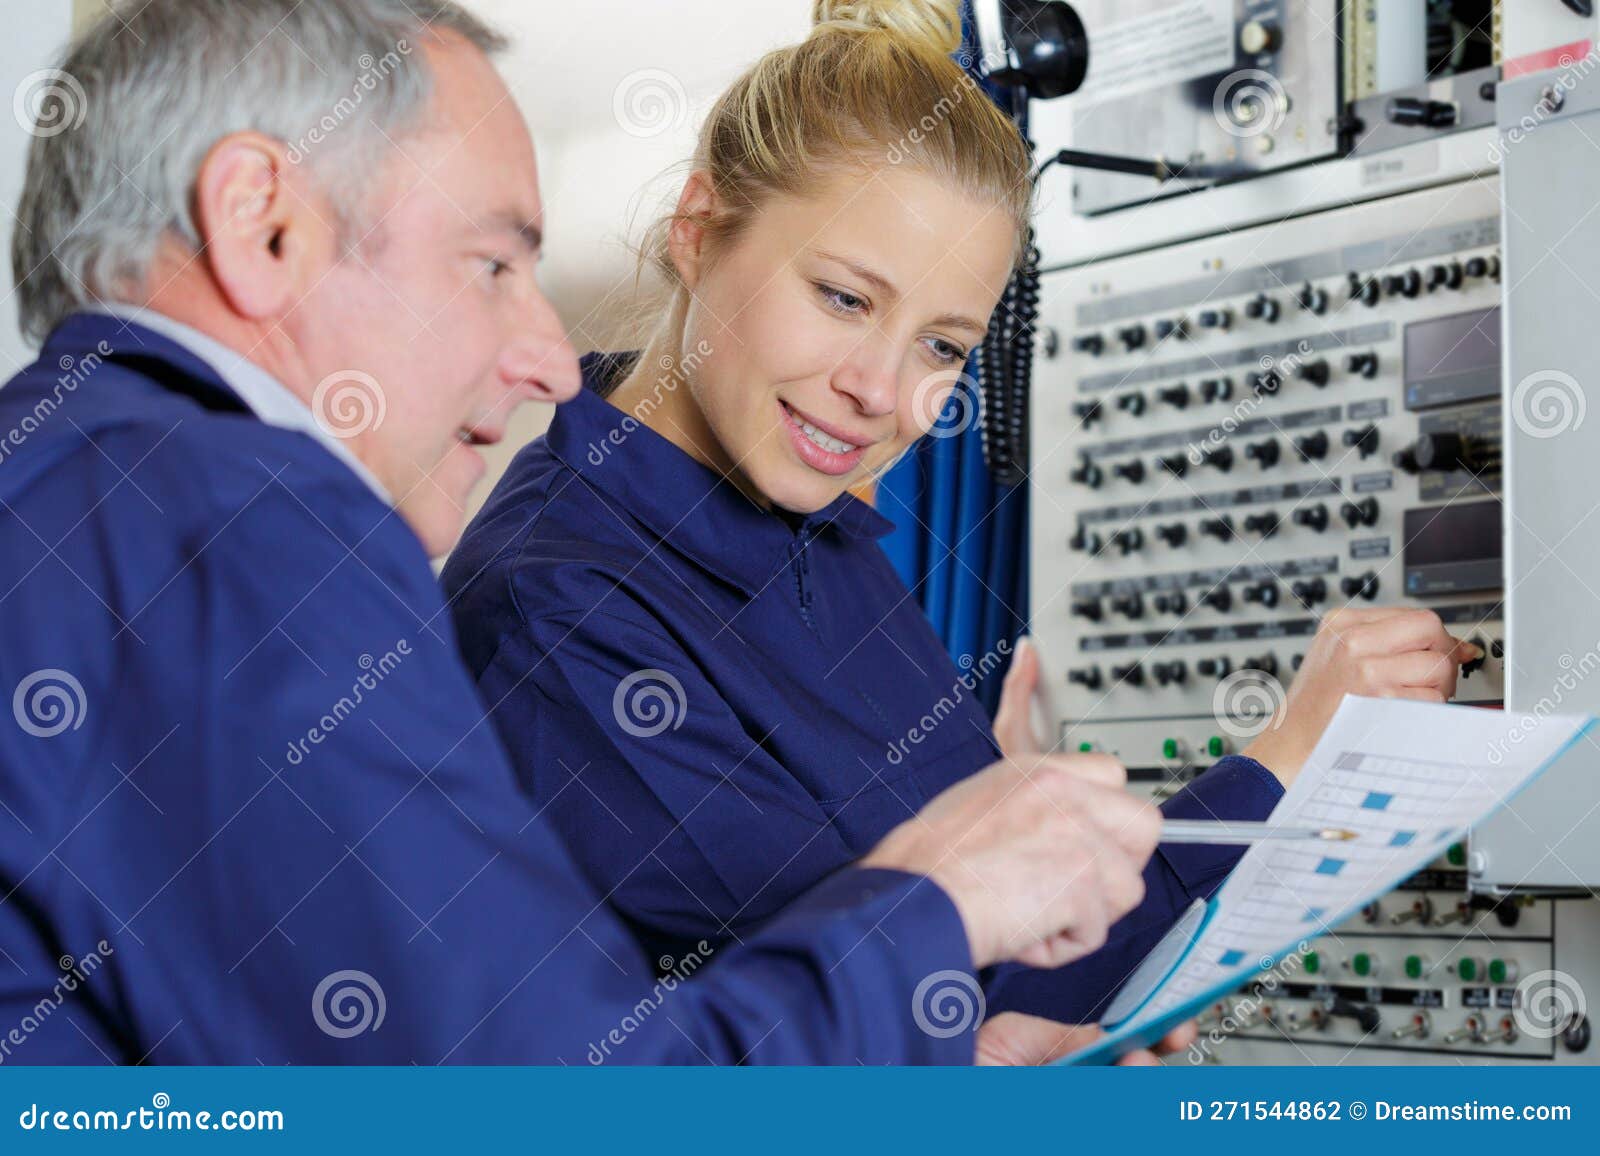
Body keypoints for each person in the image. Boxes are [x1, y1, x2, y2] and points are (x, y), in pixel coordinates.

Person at [0, 0, 1180, 1065]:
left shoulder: (86, 494)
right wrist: (935, 896)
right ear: (262, 228)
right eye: (494, 263)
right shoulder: (226, 516)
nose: (548, 356)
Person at [442, 0, 1481, 1026]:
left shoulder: (819, 536)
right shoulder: (560, 610)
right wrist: (1284, 761)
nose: (881, 391)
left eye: (941, 346)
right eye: (844, 298)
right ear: (698, 229)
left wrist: (1022, 804)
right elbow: (941, 1007)